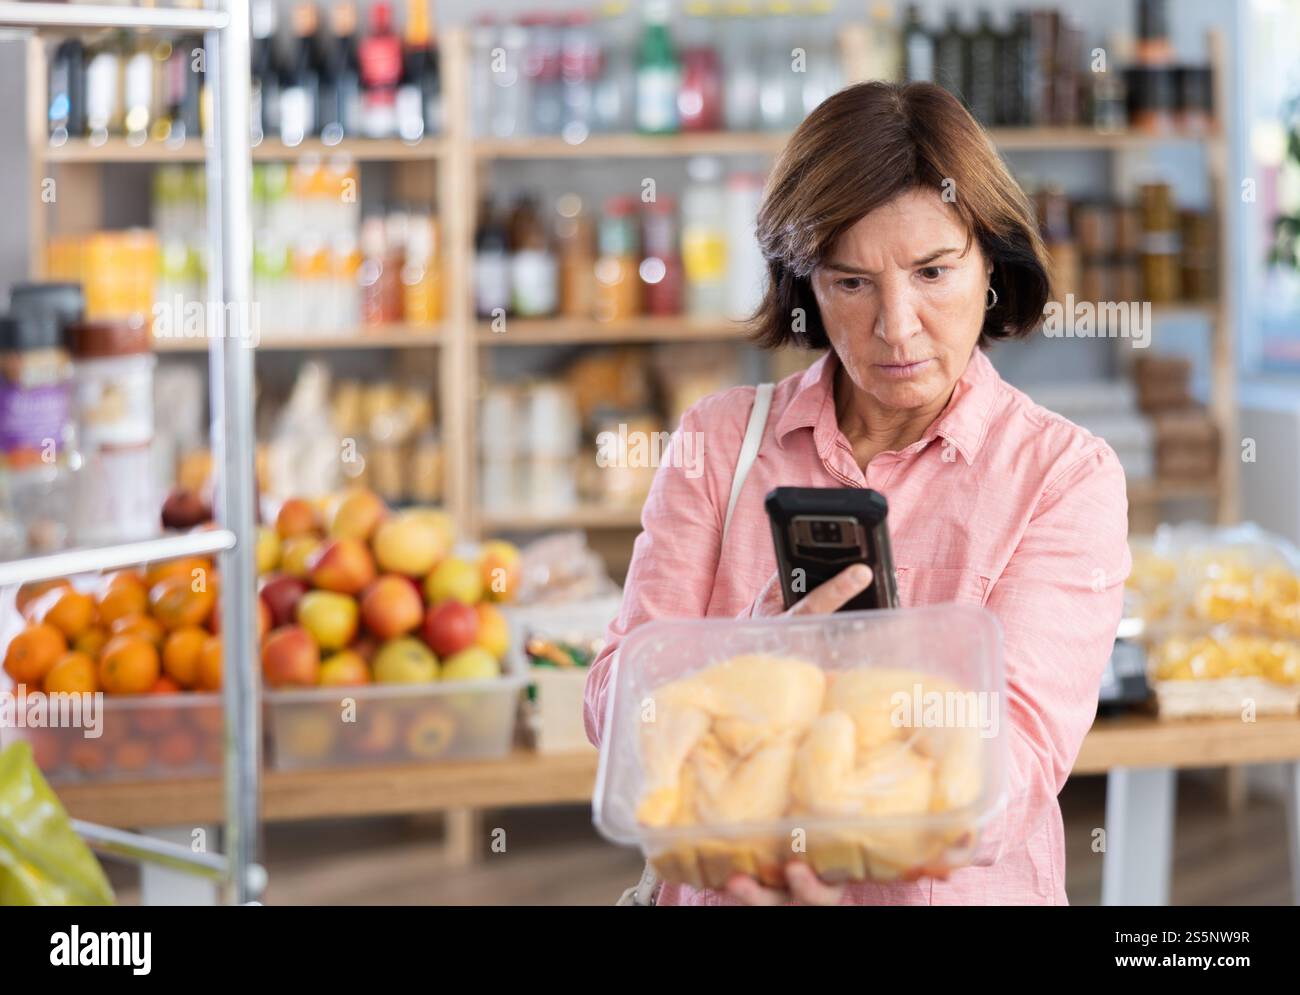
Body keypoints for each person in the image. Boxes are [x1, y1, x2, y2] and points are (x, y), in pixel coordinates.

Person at [584, 81, 1131, 906]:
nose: (898, 326)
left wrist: (804, 774)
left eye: (934, 271)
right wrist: (753, 655)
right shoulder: (719, 441)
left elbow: (1008, 770)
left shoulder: (1063, 475)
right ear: (805, 285)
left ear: (991, 264)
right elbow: (613, 705)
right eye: (852, 283)